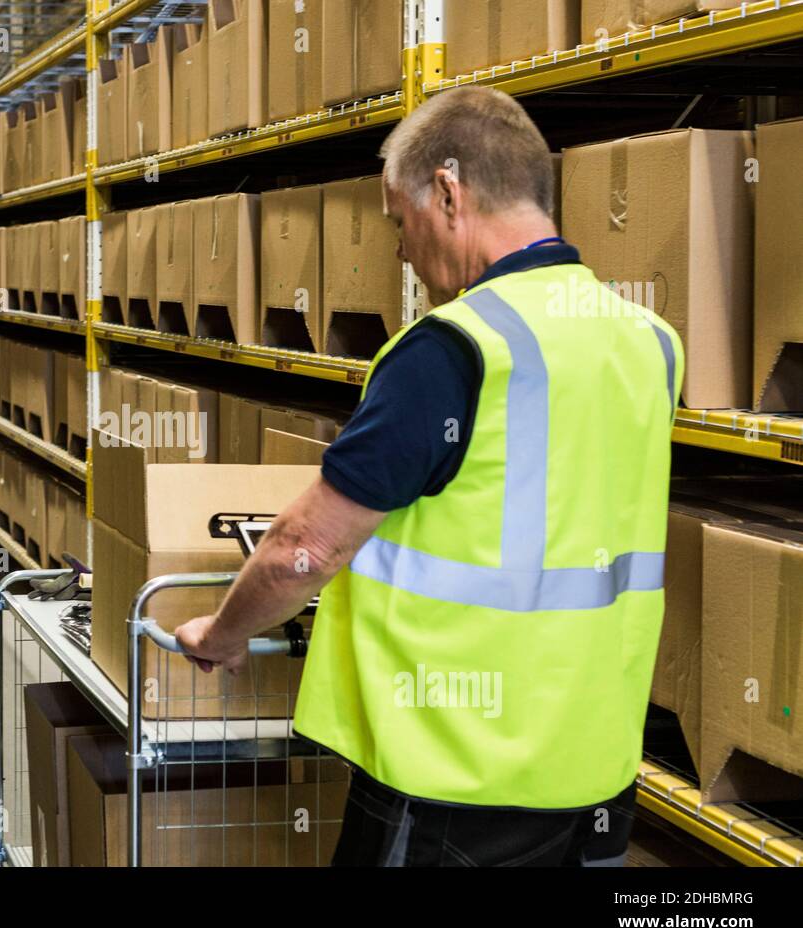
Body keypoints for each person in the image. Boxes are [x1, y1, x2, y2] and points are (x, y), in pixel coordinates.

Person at [174, 86, 684, 867]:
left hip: (455, 787)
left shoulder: (456, 350)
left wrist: (222, 632)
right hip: (596, 783)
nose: (402, 250)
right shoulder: (650, 342)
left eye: (399, 221)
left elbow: (304, 549)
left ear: (448, 191)